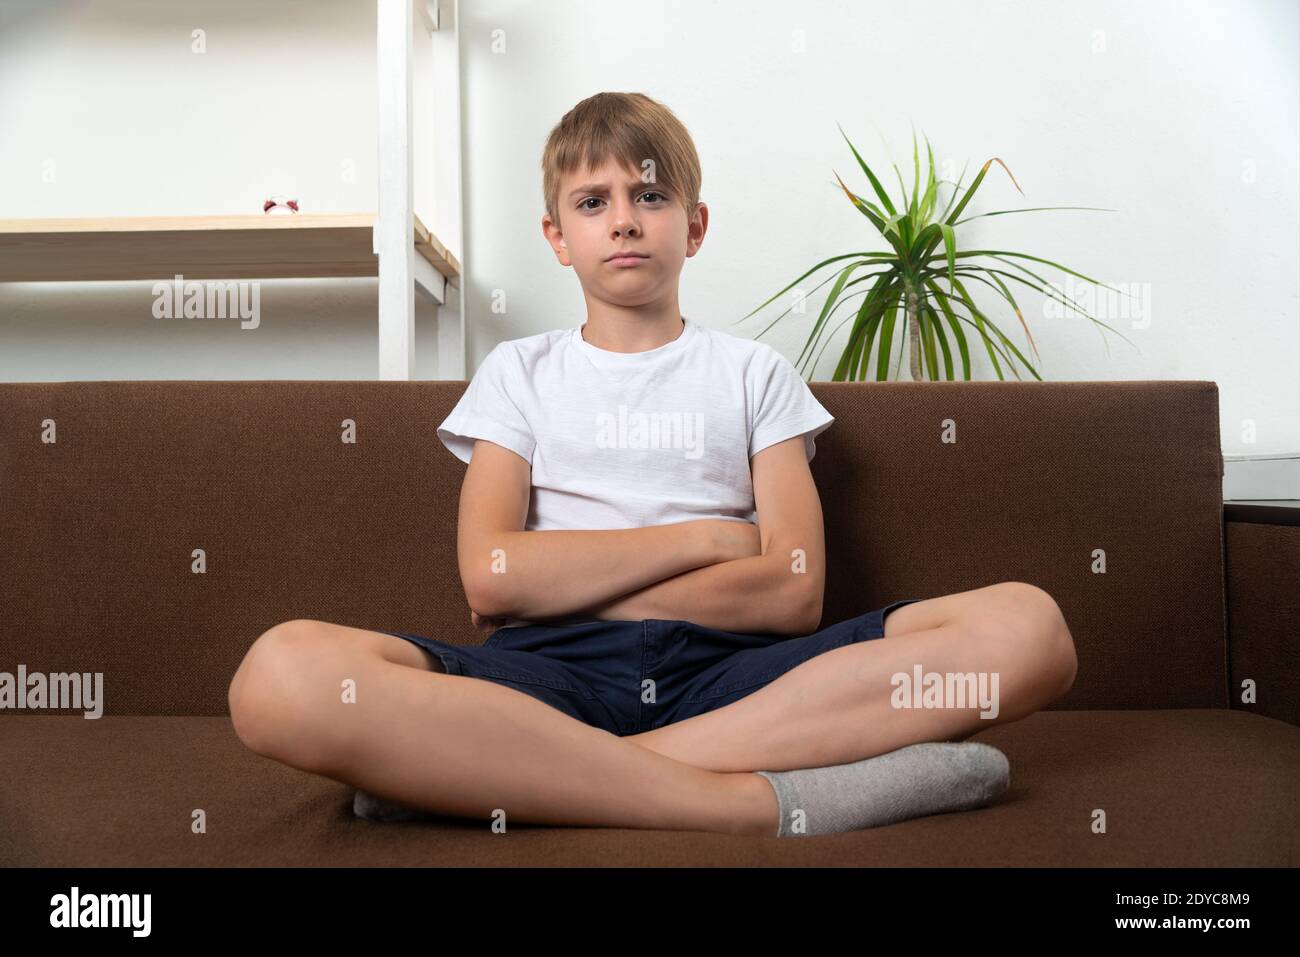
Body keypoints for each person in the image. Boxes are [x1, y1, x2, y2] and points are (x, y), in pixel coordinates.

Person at [228, 92, 1077, 838]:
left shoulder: (754, 374)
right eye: (593, 202)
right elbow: (491, 579)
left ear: (694, 226)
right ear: (558, 237)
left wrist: (564, 576)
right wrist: (705, 539)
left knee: (1028, 628)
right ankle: (746, 802)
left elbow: (793, 590)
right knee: (280, 674)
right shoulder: (517, 373)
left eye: (651, 195)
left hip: (739, 677)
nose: (625, 219)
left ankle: (521, 776)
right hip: (550, 672)